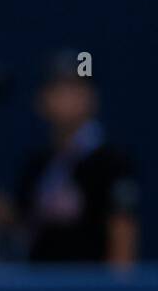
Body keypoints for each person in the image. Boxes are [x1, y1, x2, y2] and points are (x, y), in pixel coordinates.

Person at [20, 55, 139, 266]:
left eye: (76, 88)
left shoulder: (111, 163)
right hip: (39, 288)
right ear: (42, 100)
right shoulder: (38, 164)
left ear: (91, 97)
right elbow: (19, 220)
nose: (67, 98)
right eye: (59, 89)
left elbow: (122, 233)